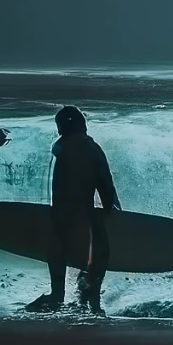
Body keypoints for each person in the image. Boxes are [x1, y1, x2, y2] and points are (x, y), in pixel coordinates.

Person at [25, 106, 121, 315]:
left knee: (57, 282)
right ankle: (91, 295)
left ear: (61, 128)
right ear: (82, 125)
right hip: (85, 218)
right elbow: (105, 184)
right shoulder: (93, 148)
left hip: (60, 218)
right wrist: (112, 210)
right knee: (98, 249)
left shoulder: (62, 149)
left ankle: (52, 298)